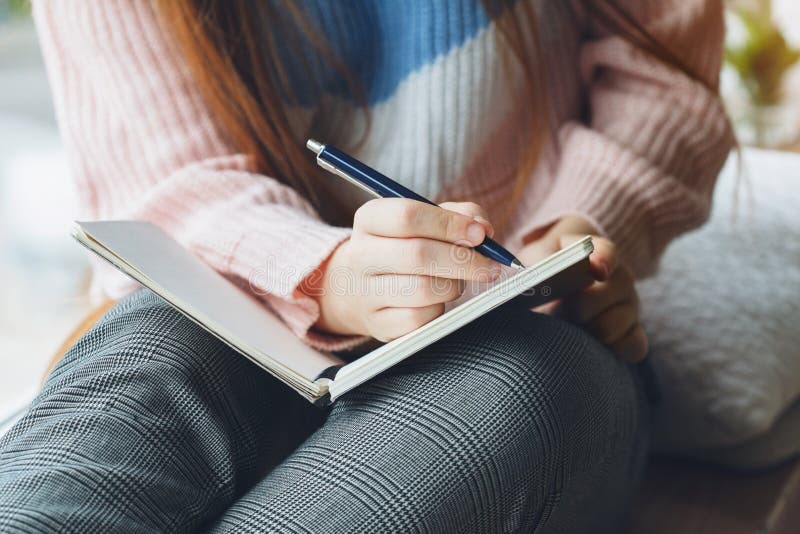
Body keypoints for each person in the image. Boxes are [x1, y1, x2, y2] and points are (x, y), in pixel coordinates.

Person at [0, 1, 733, 532]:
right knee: (148, 357)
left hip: (520, 321)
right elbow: (168, 176)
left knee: (518, 386)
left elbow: (662, 82)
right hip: (229, 292)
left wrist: (577, 229)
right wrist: (331, 275)